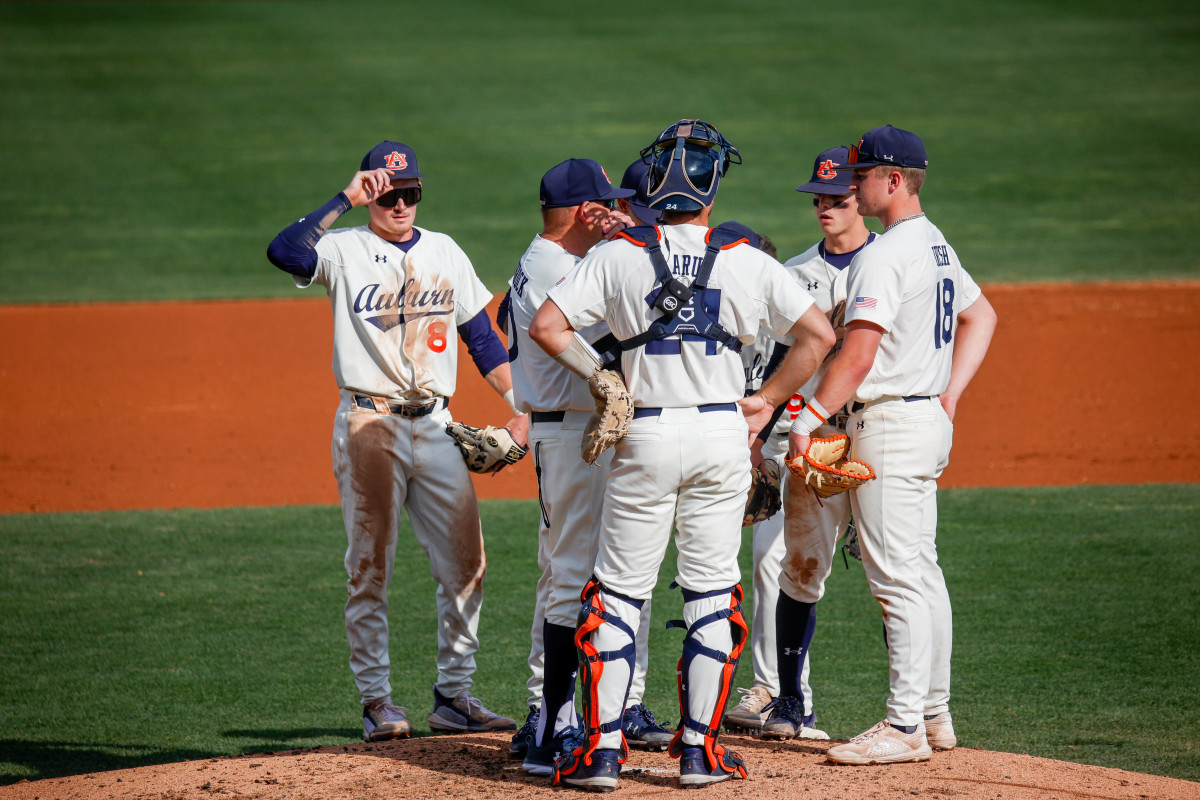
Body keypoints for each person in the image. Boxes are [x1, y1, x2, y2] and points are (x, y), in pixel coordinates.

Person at [530, 119, 836, 790]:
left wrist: (601, 375)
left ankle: (601, 755)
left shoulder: (617, 254)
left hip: (645, 433)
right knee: (711, 590)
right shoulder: (749, 259)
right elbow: (818, 335)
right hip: (724, 436)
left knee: (616, 595)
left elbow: (545, 326)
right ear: (712, 193)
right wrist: (768, 400)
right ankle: (699, 752)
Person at [266, 140, 525, 742]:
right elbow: (284, 250)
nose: (401, 202)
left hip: (436, 424)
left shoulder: (444, 250)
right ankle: (377, 700)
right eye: (388, 193)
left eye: (410, 191)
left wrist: (525, 411)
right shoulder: (342, 249)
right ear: (371, 195)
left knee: (467, 563)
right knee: (370, 566)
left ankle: (454, 696)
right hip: (369, 425)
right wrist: (346, 198)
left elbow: (481, 339)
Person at [786, 125, 997, 764]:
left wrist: (808, 415)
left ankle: (903, 725)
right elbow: (981, 316)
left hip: (887, 425)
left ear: (894, 180)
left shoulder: (885, 254)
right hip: (924, 421)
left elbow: (859, 352)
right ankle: (933, 713)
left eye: (862, 175)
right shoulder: (934, 245)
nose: (850, 185)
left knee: (896, 578)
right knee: (922, 572)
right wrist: (950, 395)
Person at [501, 158, 676, 775]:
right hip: (577, 435)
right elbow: (628, 335)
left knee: (566, 575)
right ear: (581, 211)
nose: (611, 210)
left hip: (564, 430)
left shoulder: (541, 261)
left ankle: (557, 718)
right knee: (577, 579)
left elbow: (504, 321)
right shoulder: (562, 267)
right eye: (603, 203)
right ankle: (553, 727)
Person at [725, 147, 878, 741]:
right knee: (777, 563)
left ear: (860, 200)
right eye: (818, 199)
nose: (825, 208)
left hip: (869, 434)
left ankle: (921, 709)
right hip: (801, 441)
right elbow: (774, 363)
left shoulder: (889, 263)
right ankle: (781, 696)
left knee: (887, 571)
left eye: (837, 199)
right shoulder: (790, 274)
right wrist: (761, 436)